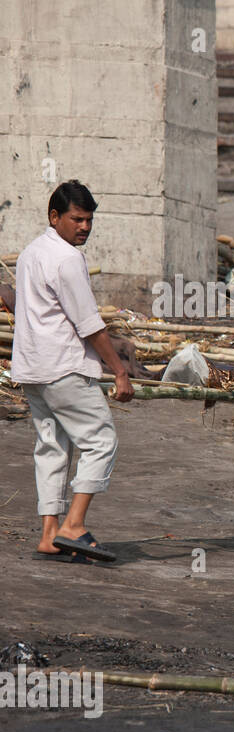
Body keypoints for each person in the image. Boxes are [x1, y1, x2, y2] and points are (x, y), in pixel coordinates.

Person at [11, 181, 133, 563]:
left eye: (89, 220)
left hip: (32, 367)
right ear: (55, 217)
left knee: (52, 447)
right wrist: (119, 371)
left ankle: (49, 534)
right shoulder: (66, 258)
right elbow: (89, 323)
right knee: (101, 440)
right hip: (62, 367)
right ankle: (74, 525)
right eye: (76, 219)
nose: (84, 227)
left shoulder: (32, 252)